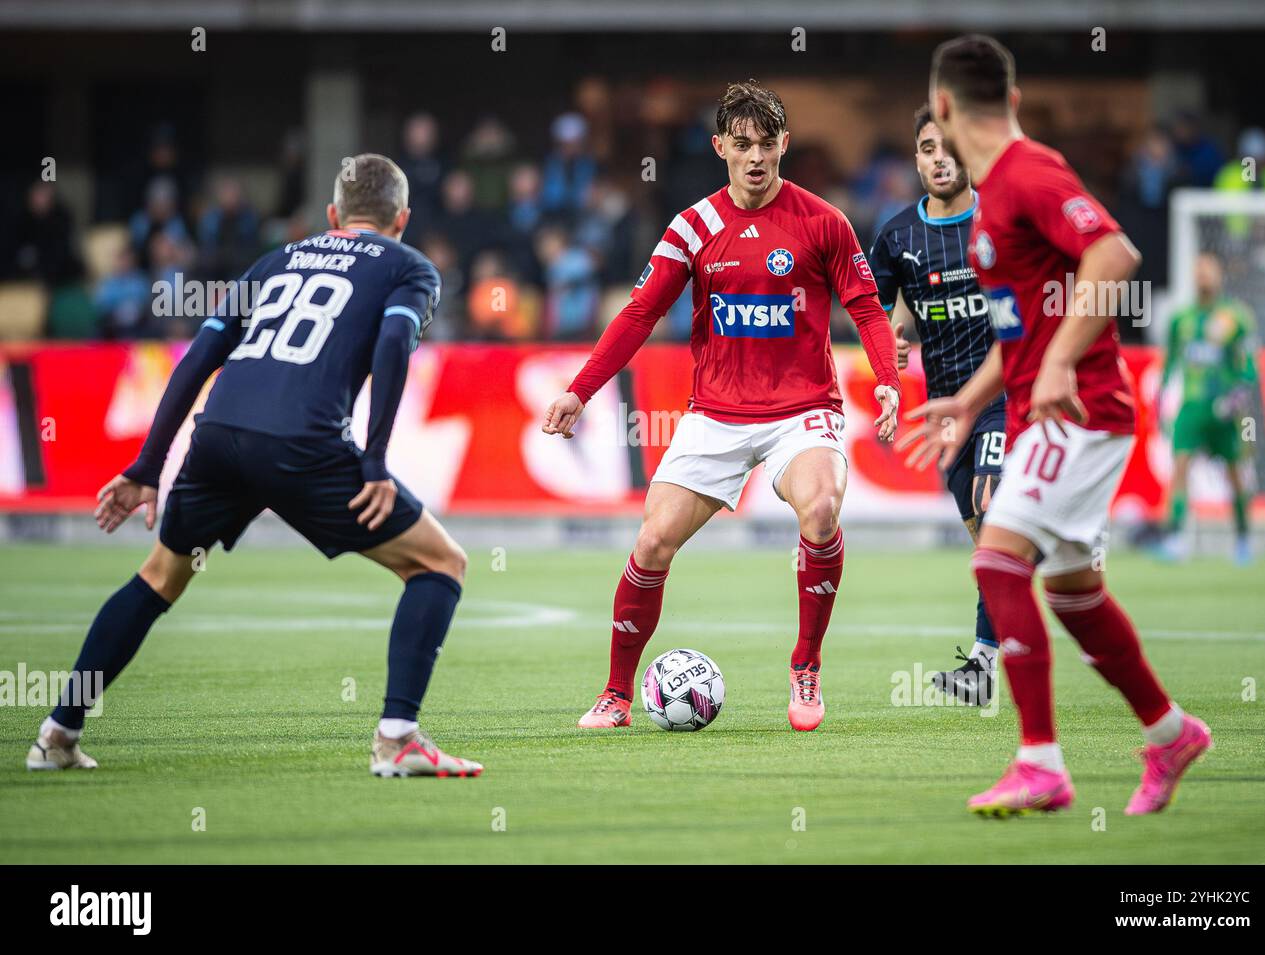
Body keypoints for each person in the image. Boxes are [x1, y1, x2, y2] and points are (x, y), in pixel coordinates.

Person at [27, 154, 482, 779]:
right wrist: (374, 460)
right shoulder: (409, 266)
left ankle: (57, 733)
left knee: (159, 576)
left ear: (332, 216)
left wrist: (147, 466)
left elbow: (198, 356)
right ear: (401, 218)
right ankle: (397, 737)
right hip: (305, 442)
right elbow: (392, 346)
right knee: (440, 562)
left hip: (218, 436)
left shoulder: (275, 260)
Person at [899, 36, 1211, 816]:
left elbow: (1113, 253)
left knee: (997, 562)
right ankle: (1170, 732)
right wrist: (970, 401)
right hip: (1049, 406)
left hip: (1080, 409)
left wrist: (1067, 360)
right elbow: (1027, 331)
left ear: (943, 105)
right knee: (1074, 593)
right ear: (1009, 94)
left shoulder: (1030, 173)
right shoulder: (994, 193)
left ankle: (1039, 761)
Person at [542, 80, 901, 733]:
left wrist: (887, 380)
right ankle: (617, 694)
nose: (756, 157)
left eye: (767, 144)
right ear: (720, 148)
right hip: (716, 414)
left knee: (821, 508)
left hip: (802, 409)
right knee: (651, 542)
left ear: (785, 144)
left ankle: (806, 663)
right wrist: (580, 388)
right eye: (742, 145)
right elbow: (640, 311)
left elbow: (867, 307)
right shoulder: (694, 226)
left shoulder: (824, 221)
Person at [869, 103, 1003, 706]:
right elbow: (883, 320)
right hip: (946, 412)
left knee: (990, 505)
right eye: (927, 149)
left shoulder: (1001, 222)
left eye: (949, 147)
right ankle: (993, 662)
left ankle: (987, 665)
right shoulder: (898, 237)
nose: (940, 158)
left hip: (1005, 396)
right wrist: (890, 372)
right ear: (916, 158)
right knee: (987, 537)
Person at [1160, 252, 1258, 564]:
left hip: (1224, 412)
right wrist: (1163, 399)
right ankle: (1176, 538)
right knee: (1180, 468)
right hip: (1191, 408)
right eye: (1198, 271)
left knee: (1235, 473)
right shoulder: (1181, 319)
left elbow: (1250, 367)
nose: (1203, 277)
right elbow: (1170, 363)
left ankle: (1243, 539)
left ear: (1219, 276)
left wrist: (1236, 398)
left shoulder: (1236, 317)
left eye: (1209, 271)